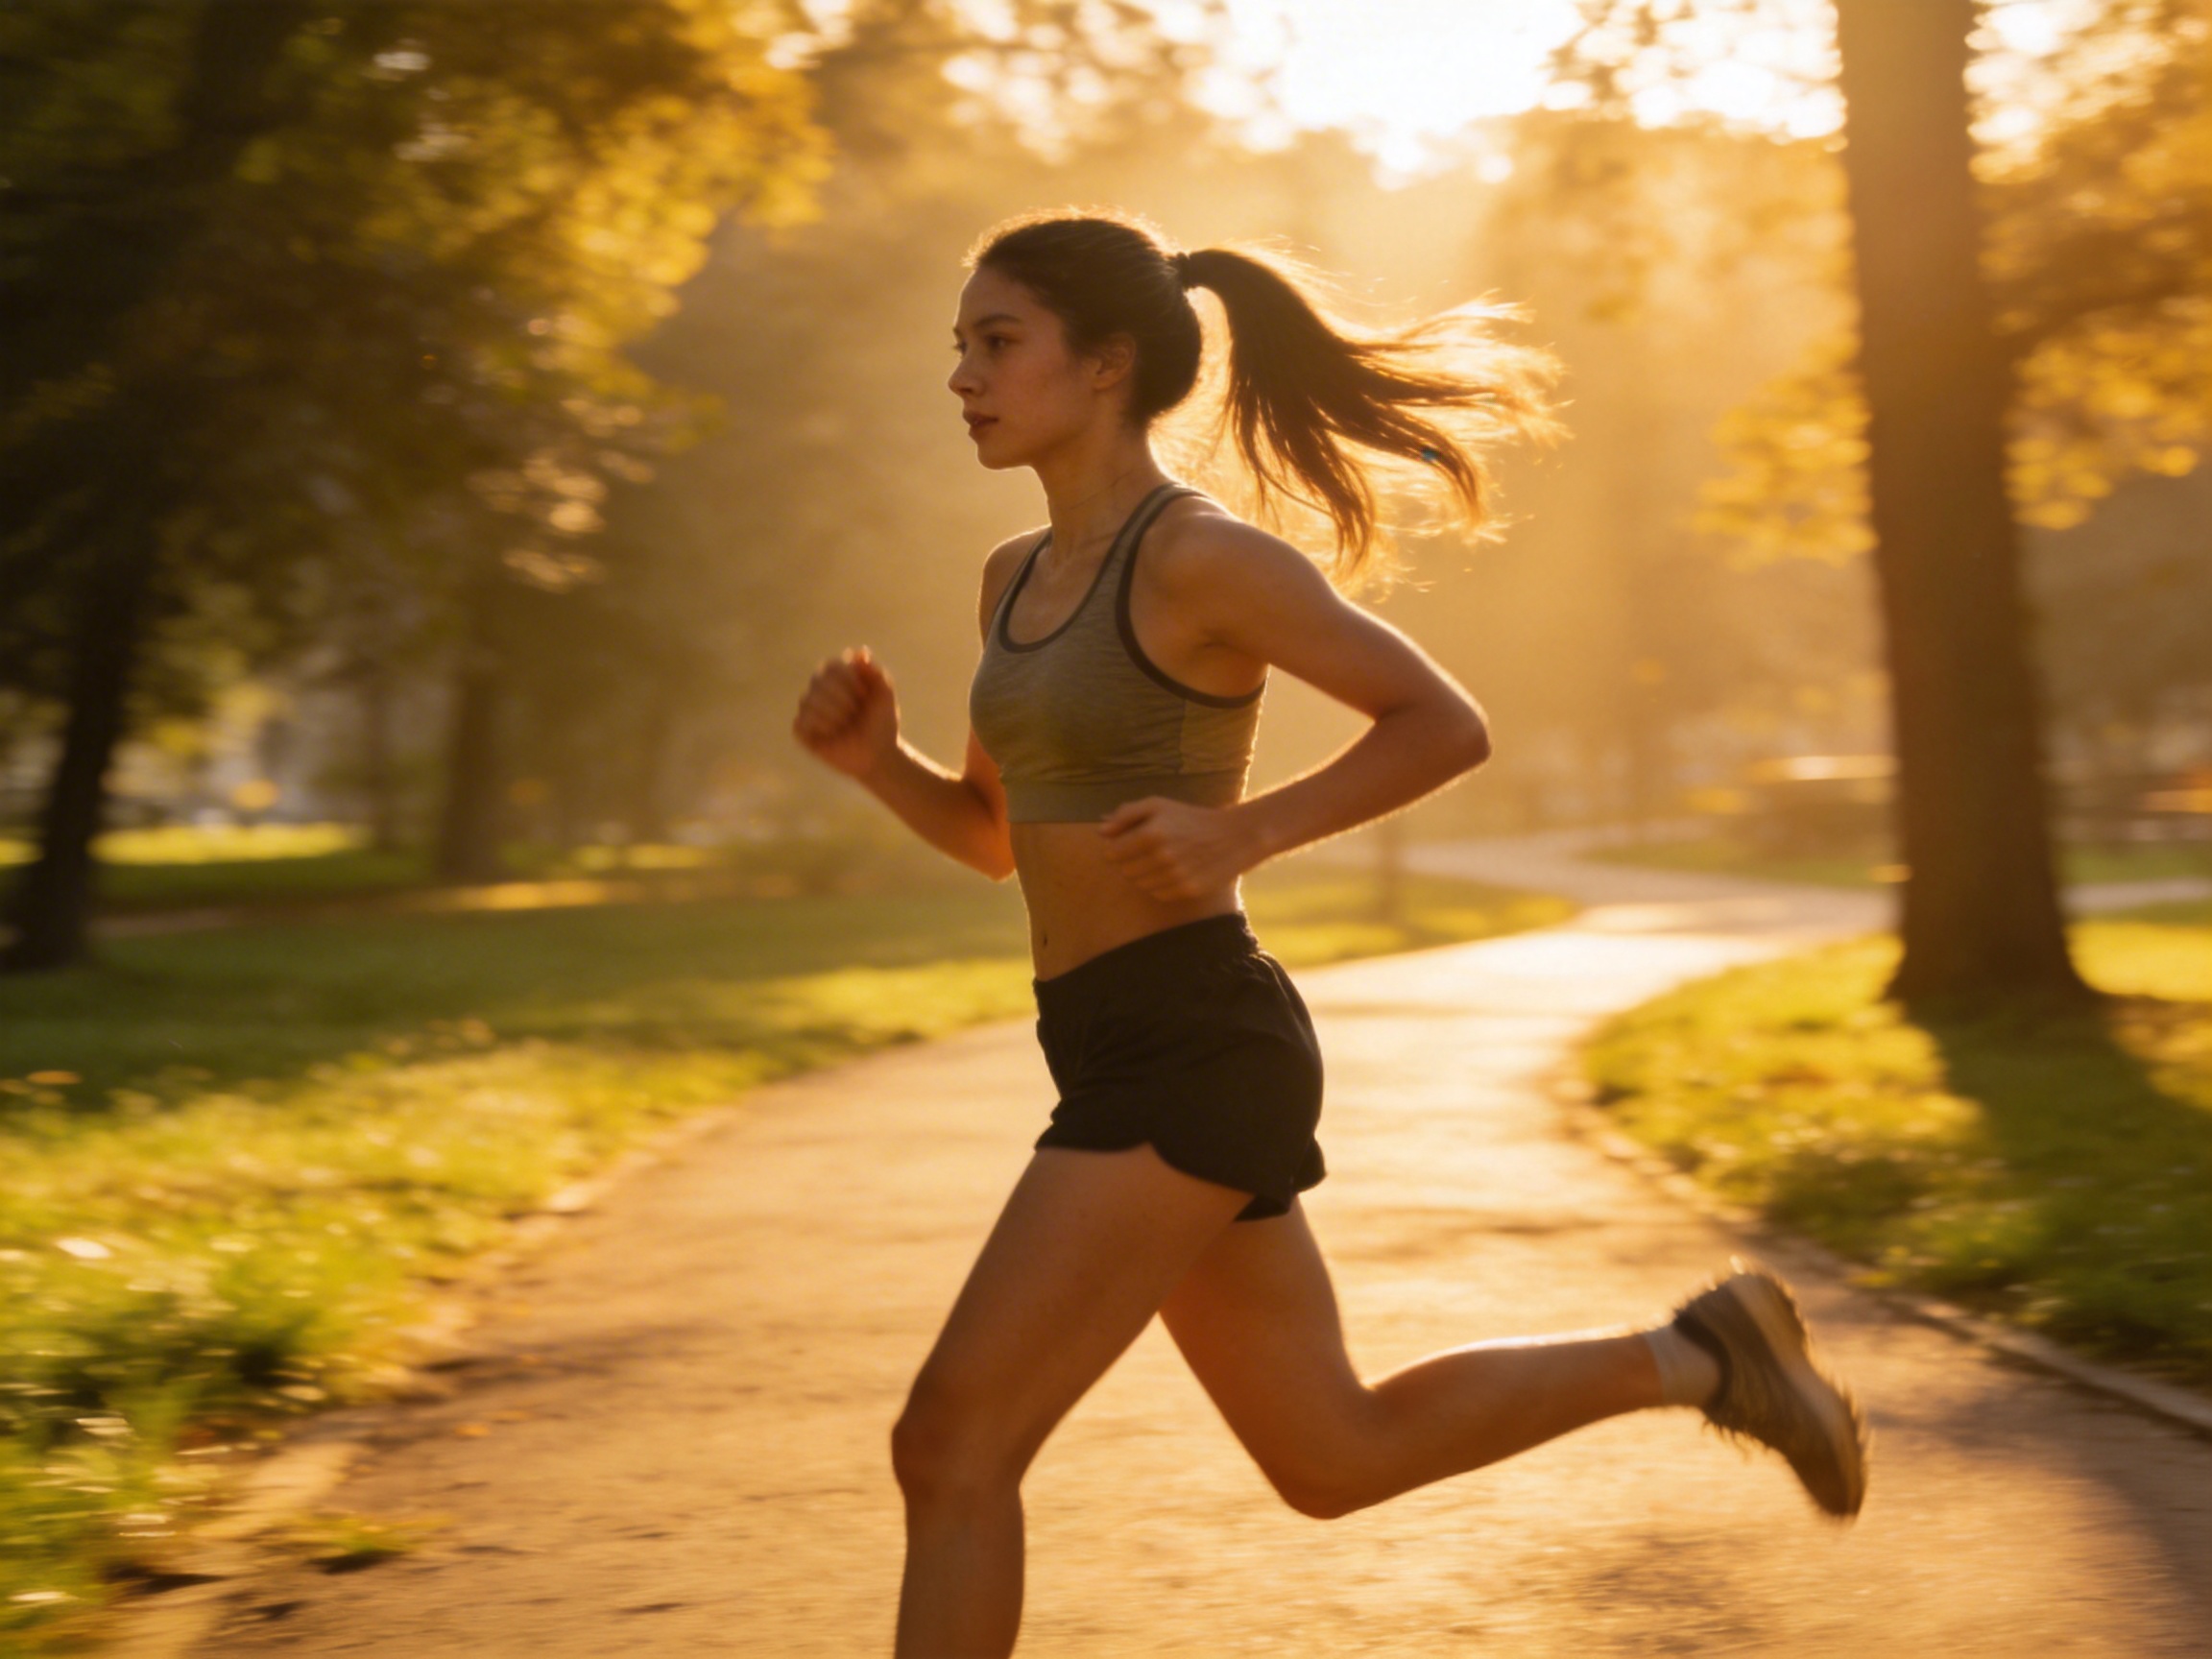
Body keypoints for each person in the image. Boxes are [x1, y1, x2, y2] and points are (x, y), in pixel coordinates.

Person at [791, 208, 1867, 1659]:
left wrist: (1244, 832)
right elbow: (996, 841)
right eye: (960, 347)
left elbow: (1443, 722)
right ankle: (1703, 1356)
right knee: (1333, 1456)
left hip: (1191, 1043)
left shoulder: (1200, 561)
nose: (964, 377)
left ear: (1106, 365)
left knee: (951, 1445)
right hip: (1109, 1040)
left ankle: (1705, 1356)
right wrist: (881, 767)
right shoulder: (1009, 578)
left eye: (998, 343)